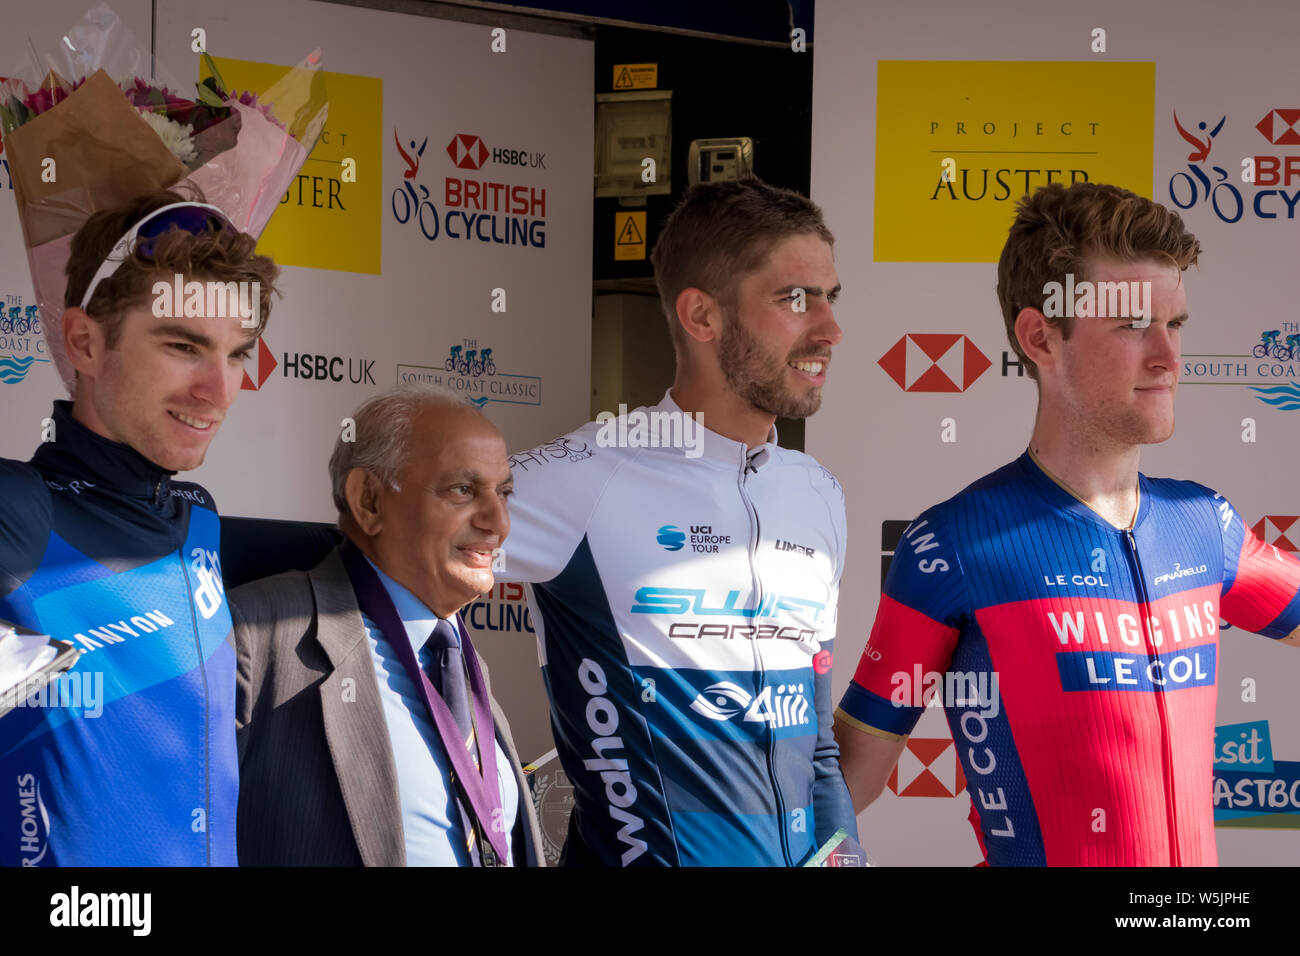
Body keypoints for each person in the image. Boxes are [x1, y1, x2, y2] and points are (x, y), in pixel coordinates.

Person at [834, 181, 1300, 866]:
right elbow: (848, 780)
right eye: (1134, 325)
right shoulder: (954, 546)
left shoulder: (1207, 525)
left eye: (1175, 325)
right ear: (1041, 337)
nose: (1170, 358)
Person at [500, 178, 858, 866]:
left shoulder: (817, 494)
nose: (829, 329)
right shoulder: (584, 475)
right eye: (794, 299)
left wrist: (849, 855)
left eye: (829, 298)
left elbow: (816, 744)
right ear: (701, 316)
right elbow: (388, 549)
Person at [0, 188, 278, 865]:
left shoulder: (200, 522)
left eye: (238, 353)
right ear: (84, 343)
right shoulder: (18, 510)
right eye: (183, 345)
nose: (220, 389)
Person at [230, 385, 544, 866]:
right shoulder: (254, 636)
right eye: (463, 489)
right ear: (369, 500)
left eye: (503, 493)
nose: (497, 522)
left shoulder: (458, 658)